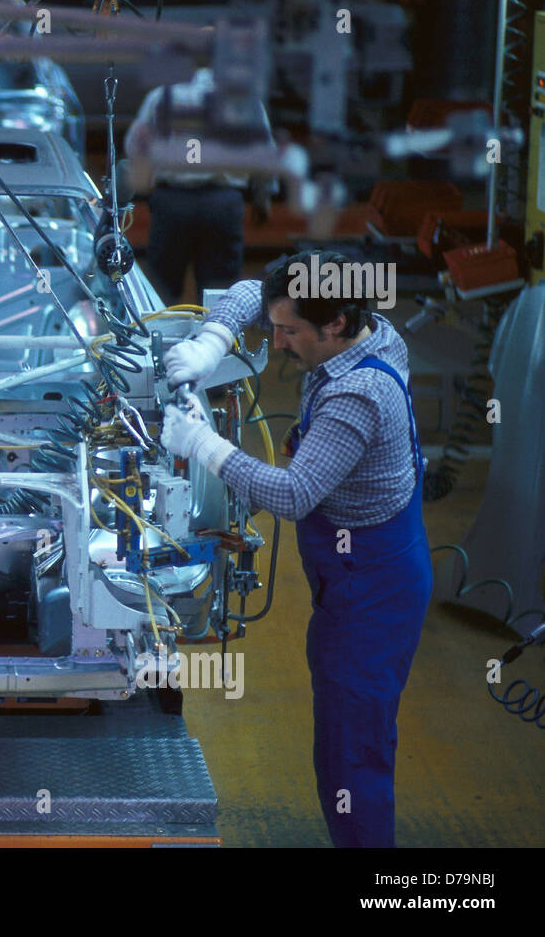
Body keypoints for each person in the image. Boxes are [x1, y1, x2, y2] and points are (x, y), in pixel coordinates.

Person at [159, 250, 432, 847]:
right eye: (274, 325)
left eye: (289, 331)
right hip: (361, 570)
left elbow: (294, 494)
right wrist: (211, 340)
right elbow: (250, 290)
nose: (277, 343)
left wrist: (202, 444)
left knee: (351, 752)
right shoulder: (370, 330)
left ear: (334, 323)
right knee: (349, 738)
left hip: (371, 592)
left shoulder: (359, 395)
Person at [123, 67, 274, 305]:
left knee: (162, 291)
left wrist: (146, 183)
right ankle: (218, 340)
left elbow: (135, 146)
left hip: (172, 200)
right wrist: (262, 198)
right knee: (220, 292)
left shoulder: (161, 96)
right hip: (222, 201)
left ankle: (161, 341)